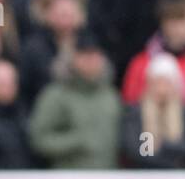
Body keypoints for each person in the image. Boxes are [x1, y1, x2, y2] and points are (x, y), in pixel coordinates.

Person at [27, 38, 120, 169]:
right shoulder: (56, 95)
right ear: (72, 59)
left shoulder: (111, 95)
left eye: (96, 55)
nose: (91, 61)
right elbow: (39, 139)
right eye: (85, 55)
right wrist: (77, 140)